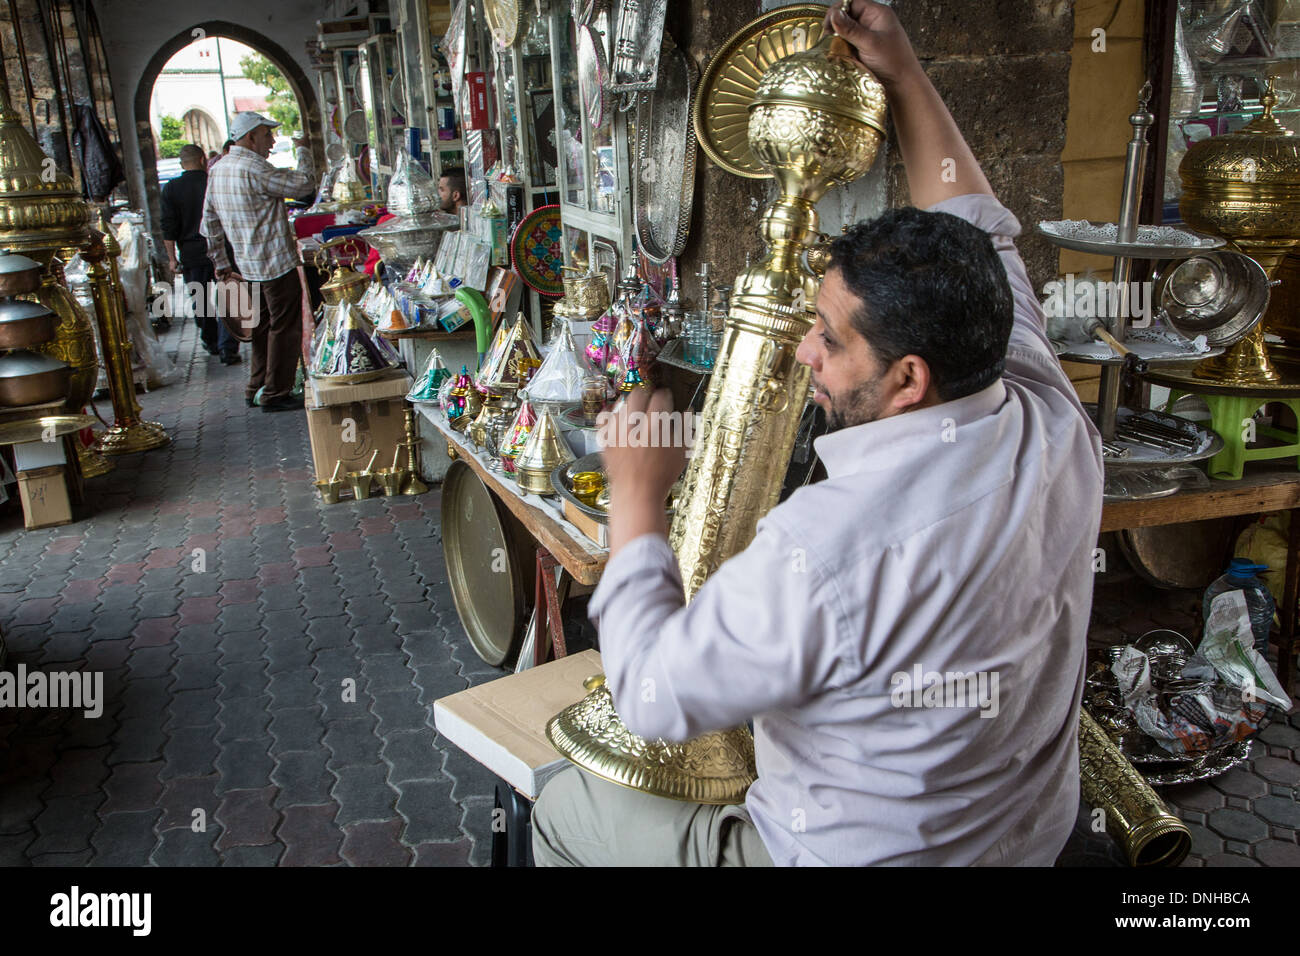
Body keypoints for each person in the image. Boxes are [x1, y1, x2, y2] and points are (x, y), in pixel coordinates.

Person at [531, 0, 1104, 867]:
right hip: (1024, 834)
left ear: (910, 378)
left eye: (830, 340)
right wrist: (903, 73)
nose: (805, 349)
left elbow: (651, 696)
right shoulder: (1044, 408)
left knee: (560, 798)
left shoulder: (829, 547)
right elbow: (982, 221)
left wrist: (637, 502)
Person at [201, 111, 315, 412]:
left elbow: (209, 222)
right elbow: (303, 185)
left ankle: (256, 385)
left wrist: (221, 263)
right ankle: (275, 393)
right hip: (274, 263)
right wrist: (303, 148)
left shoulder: (220, 168)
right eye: (267, 134)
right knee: (283, 326)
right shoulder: (253, 168)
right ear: (250, 137)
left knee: (264, 326)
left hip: (247, 264)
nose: (272, 141)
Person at [160, 143, 239, 364]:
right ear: (203, 160)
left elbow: (168, 227)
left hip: (191, 253)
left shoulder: (171, 189)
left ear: (181, 163)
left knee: (201, 299)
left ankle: (211, 340)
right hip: (221, 249)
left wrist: (171, 259)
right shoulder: (212, 182)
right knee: (228, 297)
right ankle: (228, 347)